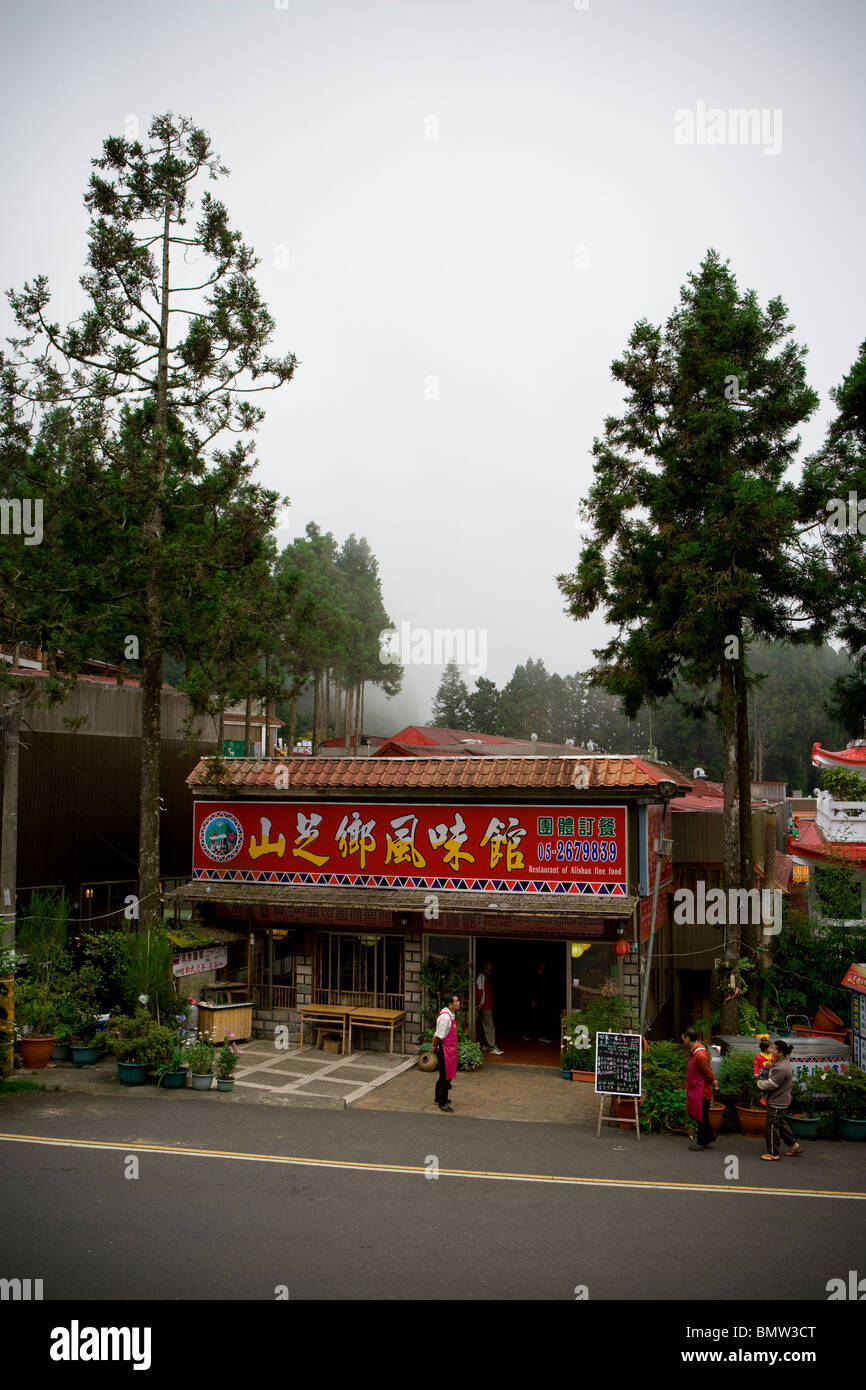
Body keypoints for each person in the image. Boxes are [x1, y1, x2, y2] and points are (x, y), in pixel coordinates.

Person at [757, 1038, 802, 1160]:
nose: (770, 1050)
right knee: (781, 1123)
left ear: (780, 1052)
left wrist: (759, 1083)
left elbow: (771, 1084)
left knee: (772, 1126)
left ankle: (773, 1153)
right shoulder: (780, 1062)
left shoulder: (782, 1067)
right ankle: (794, 1145)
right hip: (781, 1099)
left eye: (773, 1049)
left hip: (777, 1100)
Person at [682, 1026, 718, 1150]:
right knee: (696, 1113)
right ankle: (709, 1135)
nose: (683, 1040)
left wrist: (712, 1082)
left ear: (687, 1038)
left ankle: (702, 1142)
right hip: (695, 1088)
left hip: (701, 1089)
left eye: (683, 1038)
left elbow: (708, 1072)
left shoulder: (700, 1055)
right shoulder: (696, 1051)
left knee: (700, 1115)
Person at [433, 992, 460, 1112]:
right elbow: (437, 1036)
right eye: (456, 1001)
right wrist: (434, 1047)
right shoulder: (445, 1017)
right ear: (450, 1005)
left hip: (450, 1049)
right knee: (445, 1077)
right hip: (444, 1050)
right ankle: (442, 1102)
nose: (458, 1003)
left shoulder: (451, 1014)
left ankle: (438, 1097)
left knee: (445, 1075)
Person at [476, 960, 503, 1055]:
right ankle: (492, 1047)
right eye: (489, 963)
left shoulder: (488, 975)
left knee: (484, 1025)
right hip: (485, 1004)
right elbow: (480, 990)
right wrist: (480, 1003)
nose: (491, 965)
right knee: (489, 1026)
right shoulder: (482, 975)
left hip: (488, 1004)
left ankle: (485, 1045)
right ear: (485, 965)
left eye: (491, 963)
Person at [525, 960, 555, 1042]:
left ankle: (542, 1036)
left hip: (543, 1000)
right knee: (533, 1018)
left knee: (544, 1018)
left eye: (544, 965)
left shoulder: (545, 975)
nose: (543, 966)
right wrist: (532, 1000)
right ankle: (527, 1034)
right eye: (542, 965)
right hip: (535, 1000)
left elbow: (546, 988)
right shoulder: (534, 976)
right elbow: (531, 988)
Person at [753, 1035, 773, 1109]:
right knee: (764, 1085)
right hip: (763, 1072)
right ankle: (762, 1098)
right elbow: (756, 1065)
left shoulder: (772, 1055)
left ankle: (766, 1098)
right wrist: (756, 1073)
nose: (772, 1049)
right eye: (770, 1048)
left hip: (771, 1072)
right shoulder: (759, 1056)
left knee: (770, 1085)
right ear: (765, 1050)